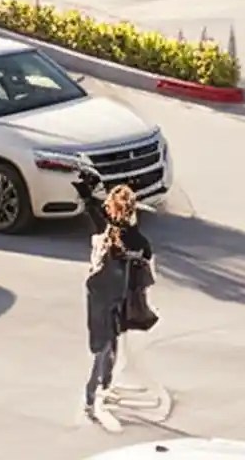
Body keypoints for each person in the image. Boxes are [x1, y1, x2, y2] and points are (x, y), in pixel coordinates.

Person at [75, 170, 154, 428]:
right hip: (118, 295)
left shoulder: (106, 227)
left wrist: (88, 189)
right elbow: (145, 250)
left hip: (98, 293)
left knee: (103, 345)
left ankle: (95, 391)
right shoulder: (134, 237)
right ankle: (99, 388)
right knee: (111, 342)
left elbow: (94, 208)